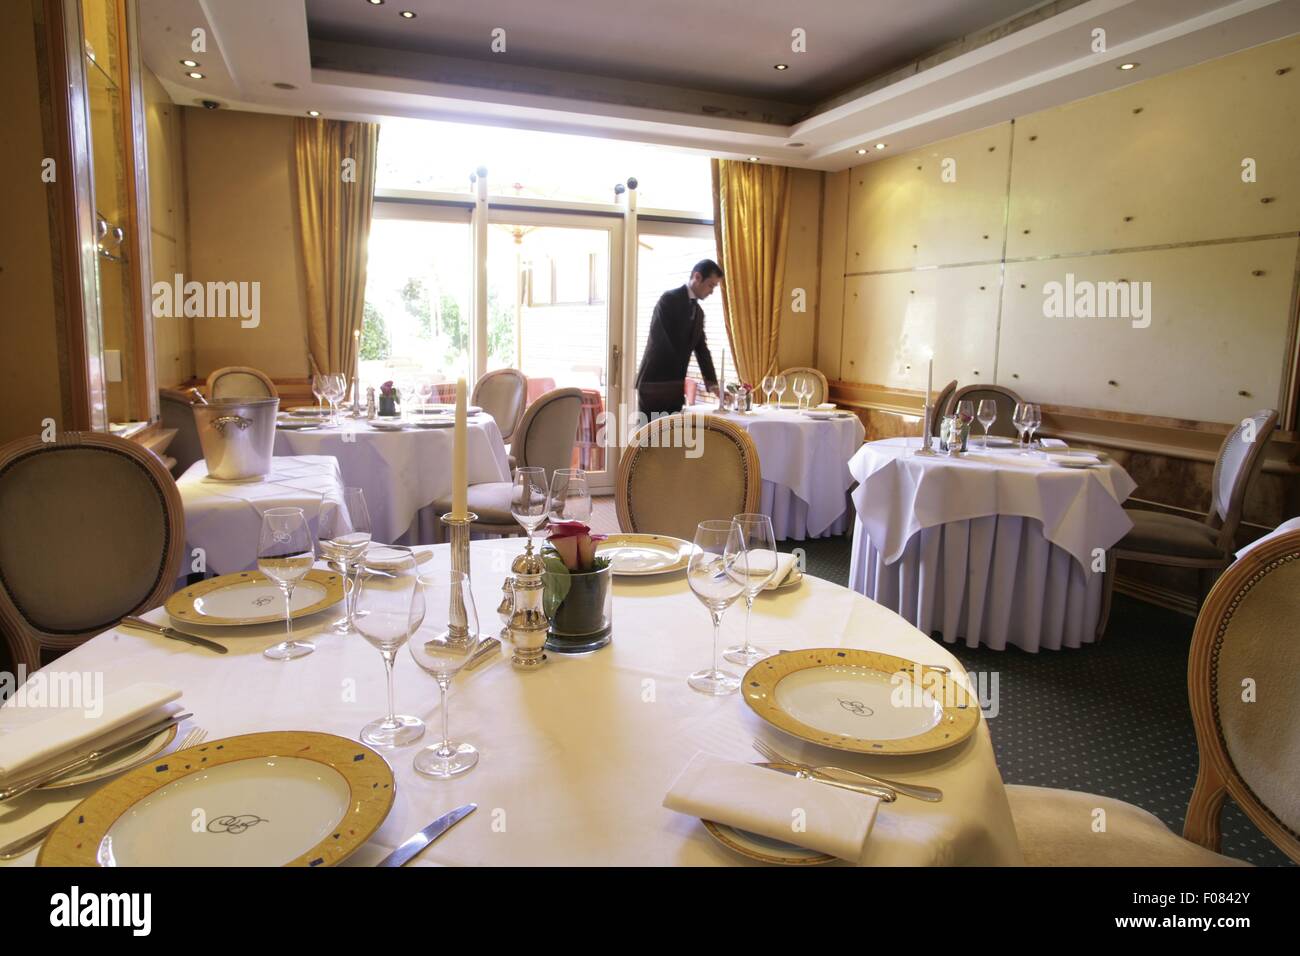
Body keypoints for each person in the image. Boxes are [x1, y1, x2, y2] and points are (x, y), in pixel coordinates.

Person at [635, 259, 723, 416]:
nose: (711, 291)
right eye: (711, 285)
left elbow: (701, 349)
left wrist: (712, 384)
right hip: (654, 385)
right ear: (697, 277)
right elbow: (661, 341)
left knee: (672, 438)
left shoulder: (699, 313)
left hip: (674, 387)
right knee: (648, 437)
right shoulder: (668, 299)